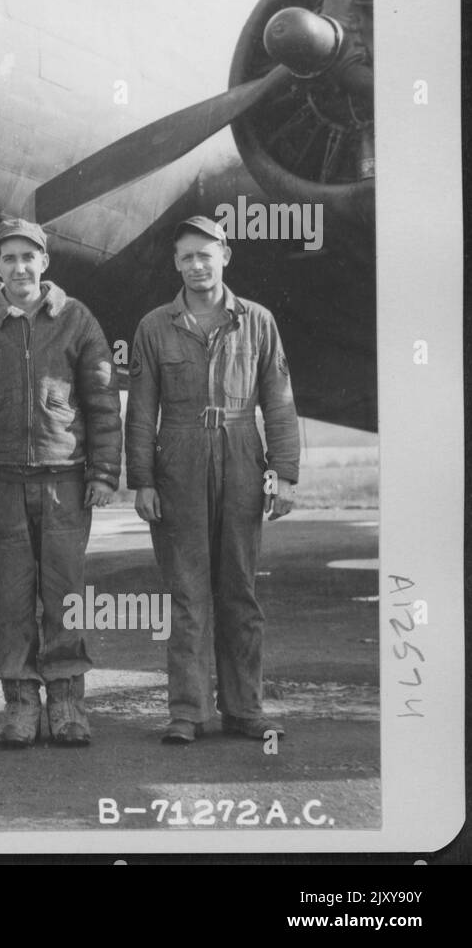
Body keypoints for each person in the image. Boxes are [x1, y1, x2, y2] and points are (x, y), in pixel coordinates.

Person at [0, 218, 122, 748]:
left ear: (44, 263)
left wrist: (104, 472)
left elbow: (103, 403)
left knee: (65, 592)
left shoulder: (77, 320)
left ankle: (67, 701)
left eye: (29, 257)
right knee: (10, 597)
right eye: (9, 258)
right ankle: (20, 701)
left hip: (65, 481)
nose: (19, 267)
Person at [126, 215, 299, 745]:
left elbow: (280, 401)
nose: (197, 265)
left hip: (244, 454)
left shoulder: (258, 321)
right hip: (177, 459)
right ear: (175, 264)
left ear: (225, 254)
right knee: (186, 591)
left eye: (206, 254)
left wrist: (284, 474)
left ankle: (245, 708)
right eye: (186, 257)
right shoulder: (155, 326)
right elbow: (141, 412)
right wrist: (143, 481)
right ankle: (189, 711)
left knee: (240, 590)